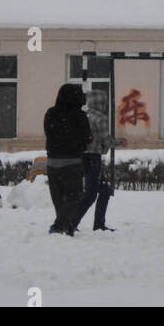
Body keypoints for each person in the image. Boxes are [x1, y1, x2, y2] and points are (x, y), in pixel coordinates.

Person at [44, 83, 92, 236]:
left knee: (59, 199)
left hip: (52, 162)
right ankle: (59, 226)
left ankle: (68, 226)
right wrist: (79, 145)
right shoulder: (79, 115)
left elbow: (48, 132)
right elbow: (88, 137)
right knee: (74, 196)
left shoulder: (50, 113)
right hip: (72, 162)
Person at [72, 90, 118, 232]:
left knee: (104, 190)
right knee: (91, 194)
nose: (105, 105)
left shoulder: (83, 116)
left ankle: (98, 224)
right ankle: (72, 222)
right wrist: (119, 142)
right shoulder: (100, 118)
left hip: (81, 157)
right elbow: (107, 140)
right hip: (93, 158)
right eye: (104, 102)